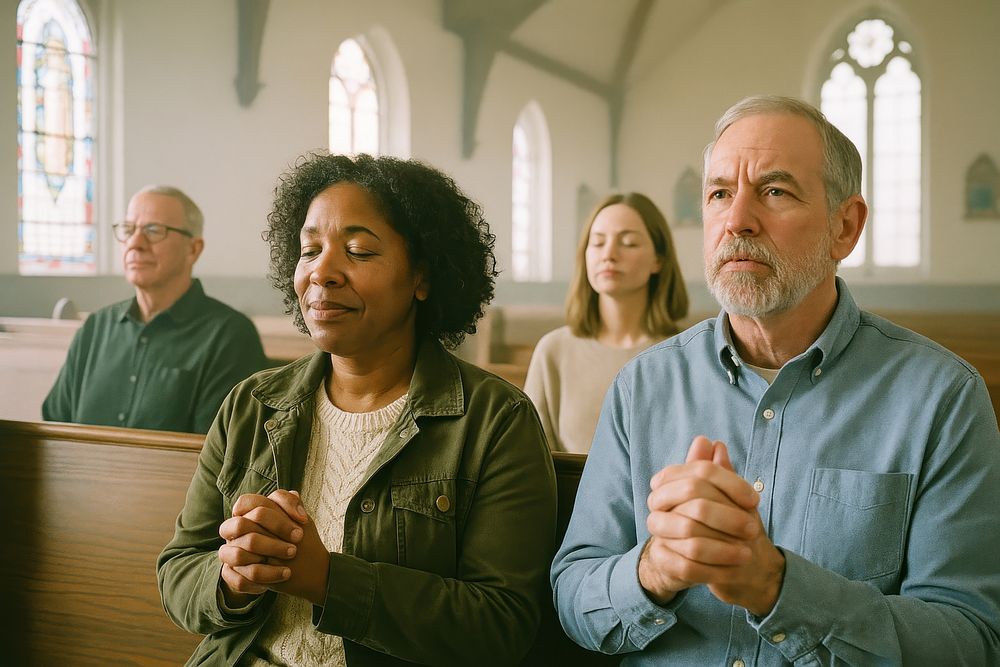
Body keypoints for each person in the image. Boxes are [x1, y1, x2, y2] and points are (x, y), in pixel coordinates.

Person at [551, 96, 1000, 665]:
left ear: (846, 226)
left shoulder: (940, 397)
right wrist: (655, 569)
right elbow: (572, 596)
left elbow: (970, 641)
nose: (737, 219)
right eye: (719, 193)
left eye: (775, 191)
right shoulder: (644, 387)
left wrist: (778, 586)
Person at [156, 153, 557, 666]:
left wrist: (327, 580)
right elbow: (178, 569)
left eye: (359, 251)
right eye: (309, 250)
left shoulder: (494, 420)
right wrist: (231, 578)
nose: (322, 272)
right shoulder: (252, 404)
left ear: (423, 276)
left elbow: (501, 625)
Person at [41, 185, 268, 434]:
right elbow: (54, 426)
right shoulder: (95, 327)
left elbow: (217, 453)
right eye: (128, 230)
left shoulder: (230, 336)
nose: (135, 243)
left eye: (153, 230)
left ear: (193, 249)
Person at [524, 193, 688, 453]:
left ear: (658, 259)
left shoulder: (686, 354)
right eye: (598, 243)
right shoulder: (553, 351)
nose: (609, 255)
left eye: (629, 243)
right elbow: (531, 459)